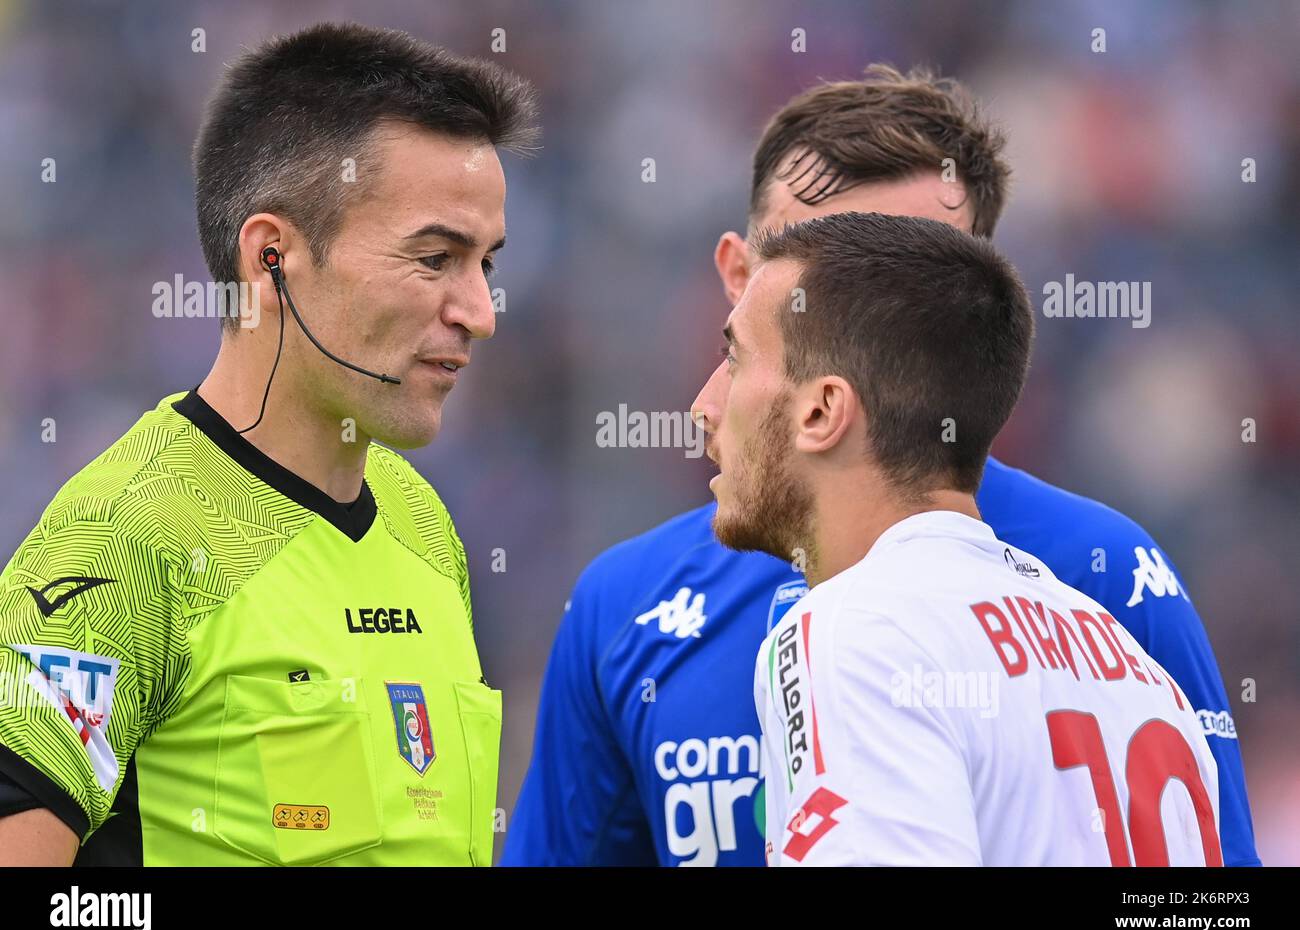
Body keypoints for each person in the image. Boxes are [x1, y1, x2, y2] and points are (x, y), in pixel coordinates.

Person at [503, 65, 1256, 867]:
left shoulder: (1102, 576)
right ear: (737, 283)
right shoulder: (625, 605)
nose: (871, 301)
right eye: (817, 272)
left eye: (915, 271)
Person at [0, 22, 538, 865]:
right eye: (436, 259)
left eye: (487, 266)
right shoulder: (125, 539)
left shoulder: (424, 525)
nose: (480, 312)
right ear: (272, 258)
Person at [706, 210, 1220, 865]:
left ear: (821, 410)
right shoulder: (1131, 665)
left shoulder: (856, 631)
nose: (706, 405)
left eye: (734, 359)